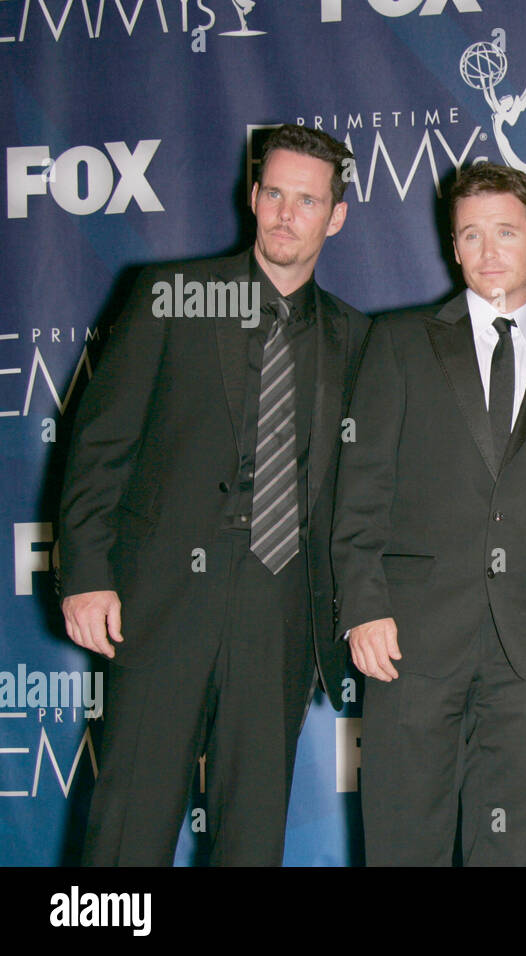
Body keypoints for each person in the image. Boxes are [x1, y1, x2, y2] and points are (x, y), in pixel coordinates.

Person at [58, 124, 370, 865]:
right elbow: (100, 444)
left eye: (307, 199)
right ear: (252, 195)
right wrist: (88, 574)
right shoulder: (171, 295)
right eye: (273, 193)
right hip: (162, 599)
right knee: (128, 819)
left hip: (281, 610)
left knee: (251, 833)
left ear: (337, 215)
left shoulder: (357, 338)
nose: (285, 214)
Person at [332, 163, 526, 866]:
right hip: (411, 636)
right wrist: (363, 606)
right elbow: (361, 486)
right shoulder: (400, 340)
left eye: (505, 231)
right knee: (405, 840)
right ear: (453, 248)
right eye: (470, 235)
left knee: (508, 844)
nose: (489, 250)